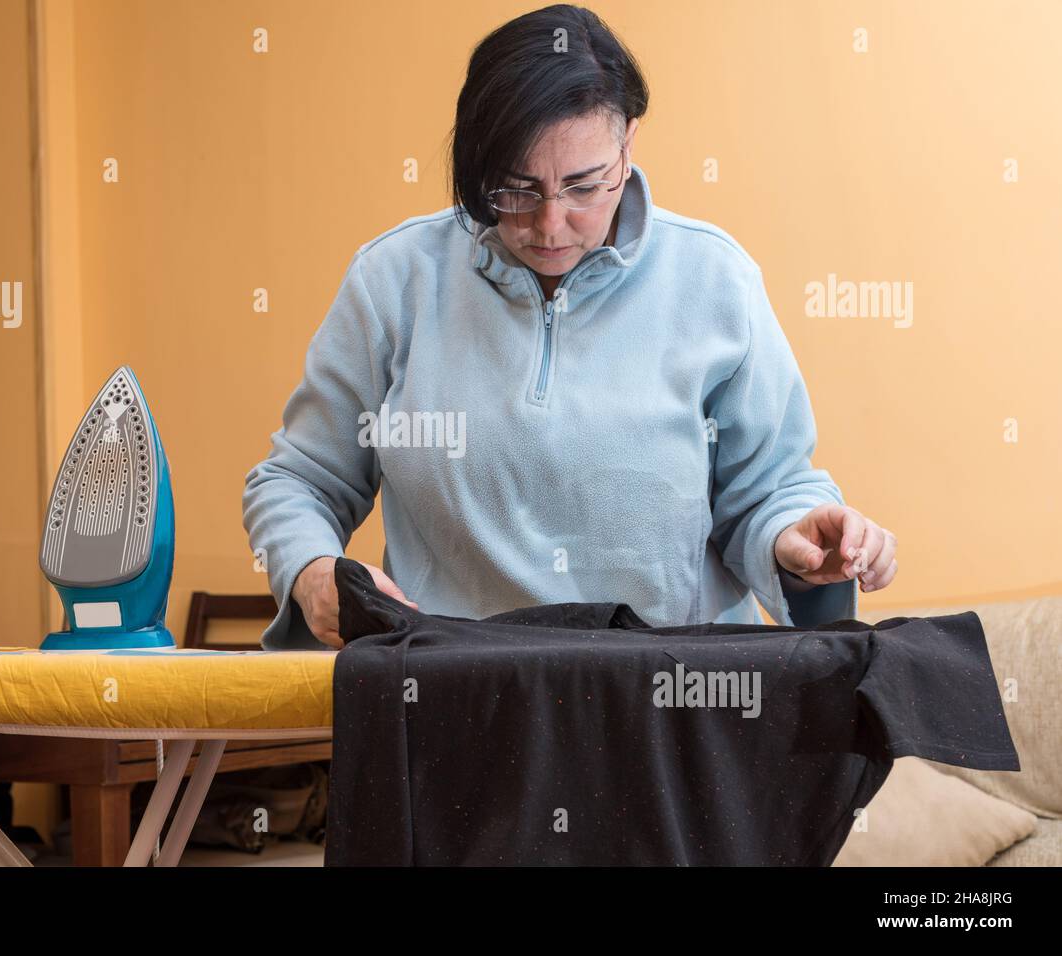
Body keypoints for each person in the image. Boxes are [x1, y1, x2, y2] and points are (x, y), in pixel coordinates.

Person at [243, 4, 897, 650]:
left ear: (628, 143)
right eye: (516, 190)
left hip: (674, 700)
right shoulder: (395, 282)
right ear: (475, 164)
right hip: (454, 698)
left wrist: (795, 537)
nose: (550, 225)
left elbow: (768, 494)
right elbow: (298, 479)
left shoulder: (715, 281)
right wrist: (310, 571)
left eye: (585, 186)